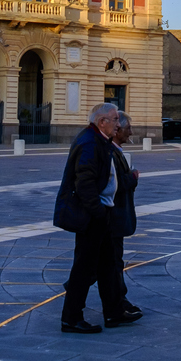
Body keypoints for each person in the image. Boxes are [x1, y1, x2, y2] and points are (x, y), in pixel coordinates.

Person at [57, 102, 138, 333]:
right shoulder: (90, 143)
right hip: (93, 216)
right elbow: (85, 184)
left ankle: (113, 312)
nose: (117, 124)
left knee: (108, 265)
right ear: (101, 122)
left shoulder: (98, 141)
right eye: (114, 120)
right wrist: (99, 214)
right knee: (84, 268)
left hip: (102, 213)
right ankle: (71, 318)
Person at [109, 112, 143, 321]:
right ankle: (117, 305)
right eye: (128, 127)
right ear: (118, 130)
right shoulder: (110, 152)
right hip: (113, 217)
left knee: (108, 263)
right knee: (109, 263)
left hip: (115, 217)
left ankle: (119, 303)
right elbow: (114, 184)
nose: (131, 131)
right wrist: (132, 177)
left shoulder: (116, 151)